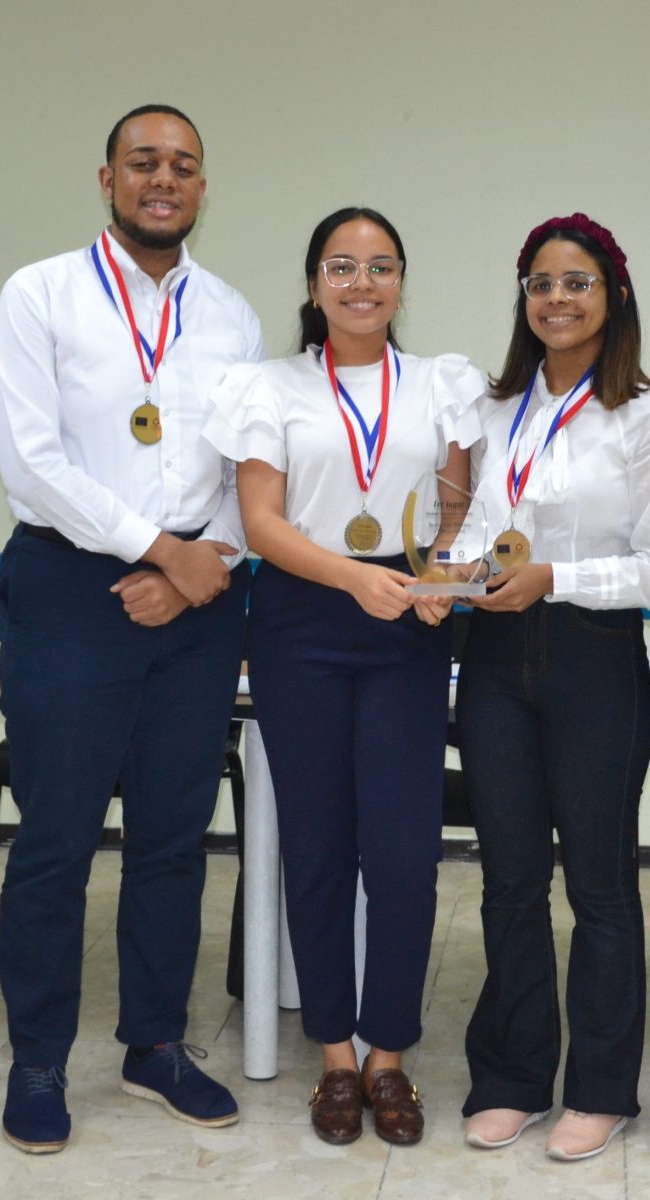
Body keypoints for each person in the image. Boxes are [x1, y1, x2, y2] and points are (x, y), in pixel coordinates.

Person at [0, 104, 263, 1154]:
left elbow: (249, 471)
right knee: (56, 841)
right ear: (107, 179)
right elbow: (31, 461)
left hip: (198, 602)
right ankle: (38, 1062)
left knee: (173, 839)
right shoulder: (41, 294)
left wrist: (200, 567)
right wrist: (156, 550)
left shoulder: (230, 315)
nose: (163, 179)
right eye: (144, 162)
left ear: (202, 188)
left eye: (183, 166)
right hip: (71, 589)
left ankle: (155, 1044)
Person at [203, 207, 484, 1147]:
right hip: (302, 622)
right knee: (318, 849)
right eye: (341, 266)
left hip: (407, 623)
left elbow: (457, 509)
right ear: (314, 283)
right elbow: (261, 523)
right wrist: (354, 578)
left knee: (402, 857)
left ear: (401, 282)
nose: (362, 283)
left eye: (380, 266)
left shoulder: (441, 383)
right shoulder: (268, 387)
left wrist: (441, 578)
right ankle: (332, 1057)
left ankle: (387, 1056)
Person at [457, 213, 650, 1161]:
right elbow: (477, 528)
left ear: (615, 295)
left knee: (599, 885)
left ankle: (600, 1087)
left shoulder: (649, 416)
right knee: (509, 881)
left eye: (578, 282)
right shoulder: (495, 409)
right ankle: (512, 1076)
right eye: (541, 283)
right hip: (494, 658)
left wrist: (555, 578)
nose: (557, 299)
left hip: (594, 656)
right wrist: (451, 574)